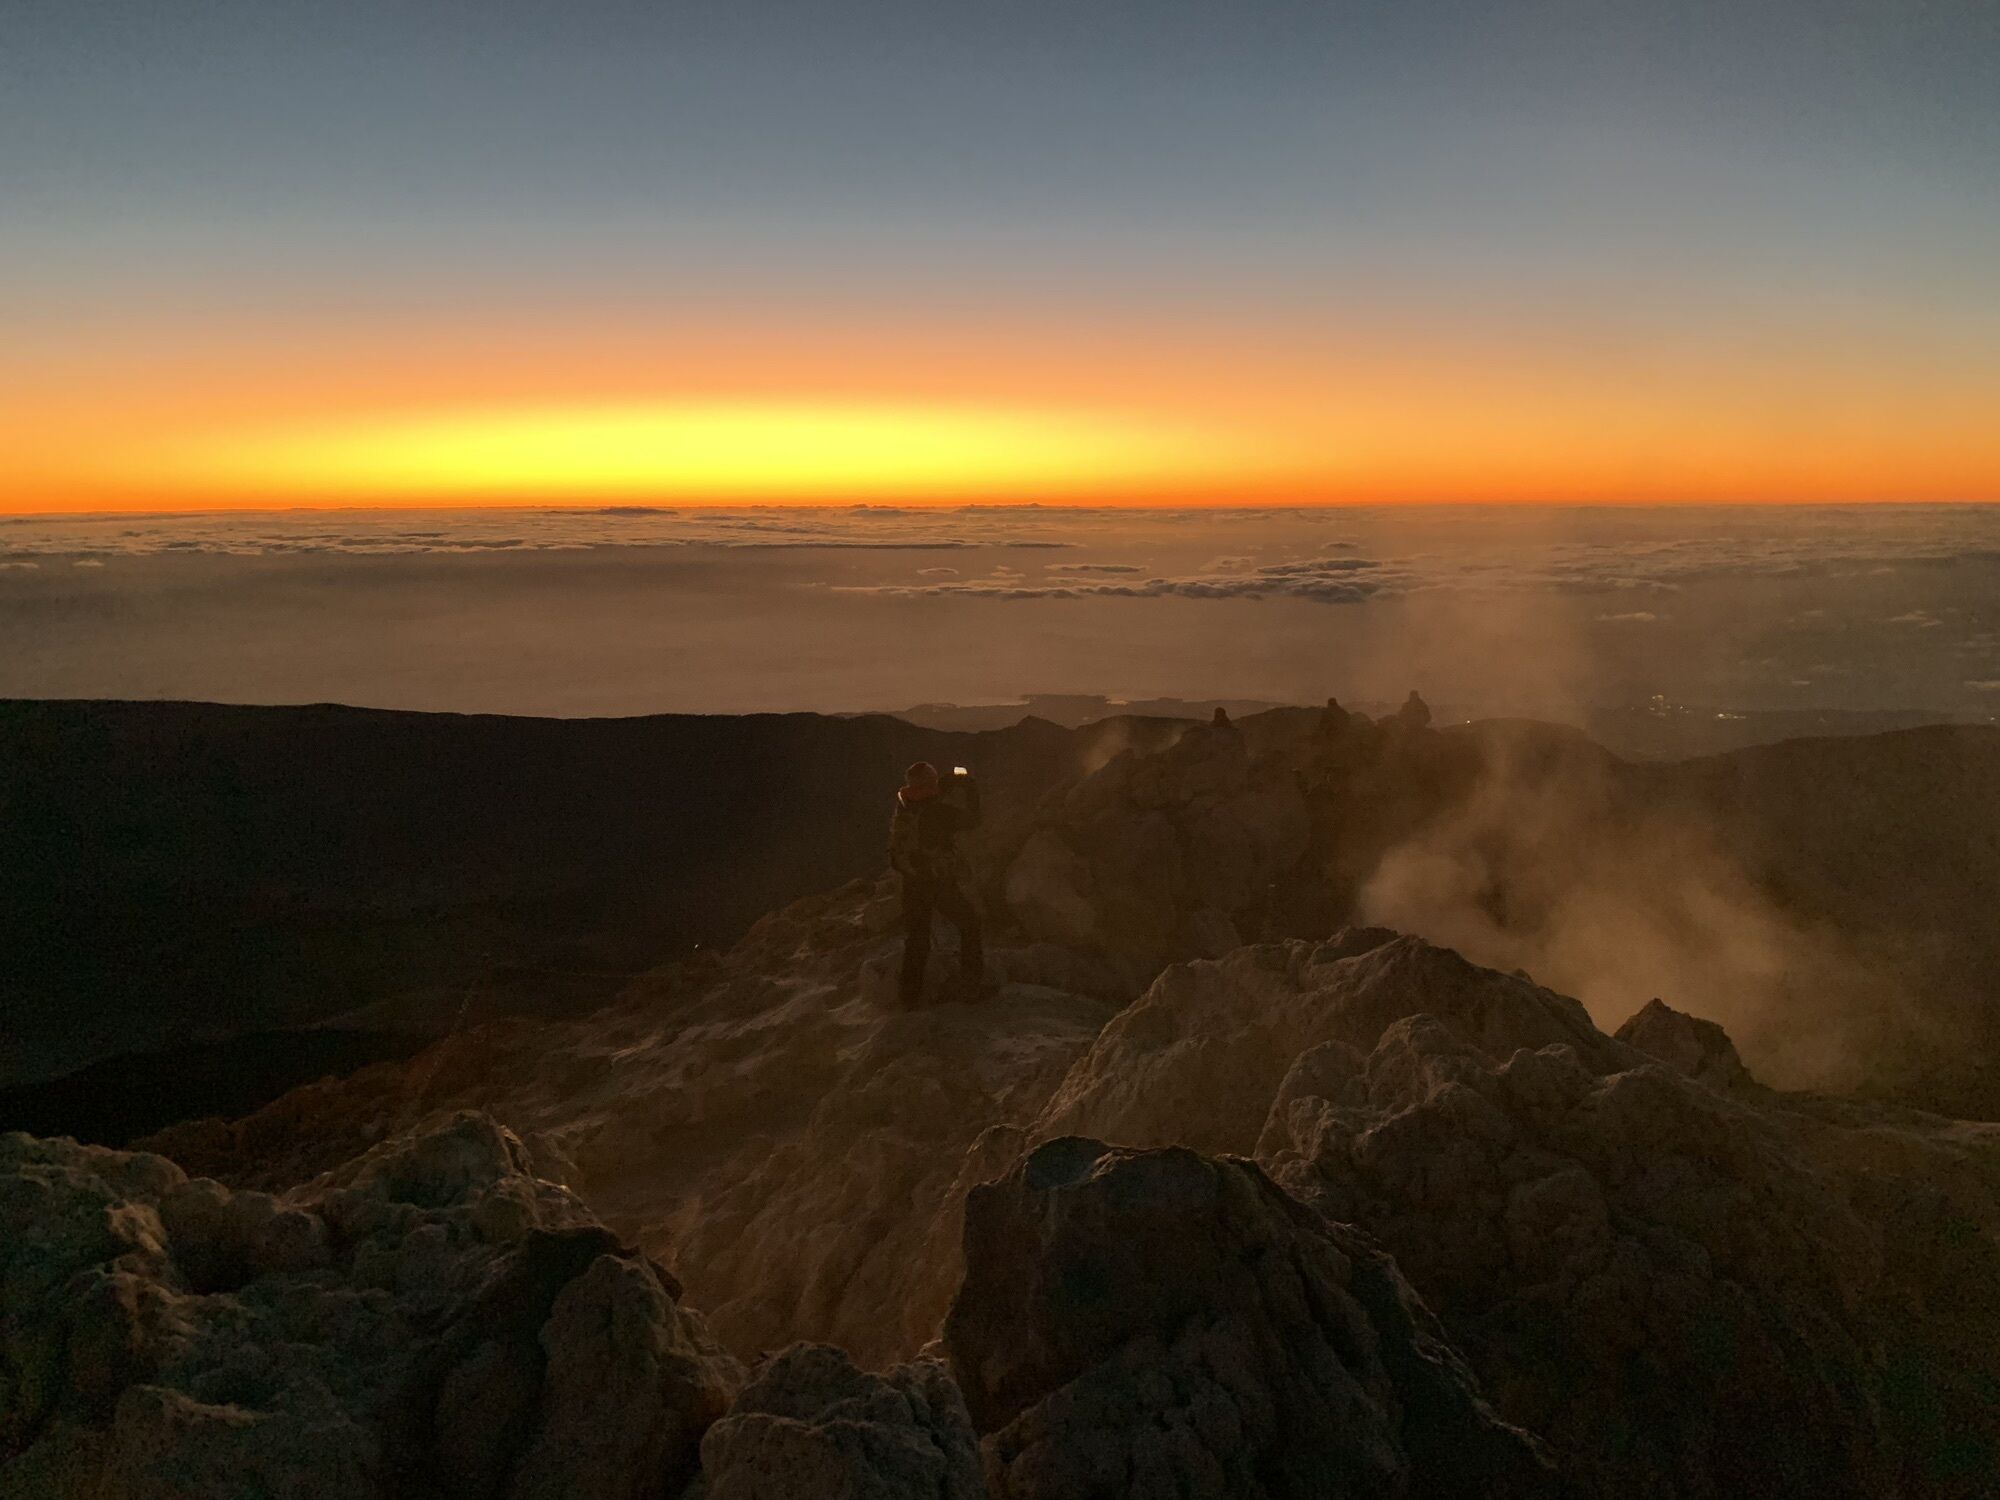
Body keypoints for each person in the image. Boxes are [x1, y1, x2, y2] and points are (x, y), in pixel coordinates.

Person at [887, 761, 985, 1007]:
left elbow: (926, 801)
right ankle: (971, 987)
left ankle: (909, 998)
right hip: (937, 882)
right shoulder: (940, 812)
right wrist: (970, 788)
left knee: (917, 939)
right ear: (930, 783)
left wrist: (943, 785)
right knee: (970, 924)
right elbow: (973, 820)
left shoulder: (904, 806)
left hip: (912, 882)